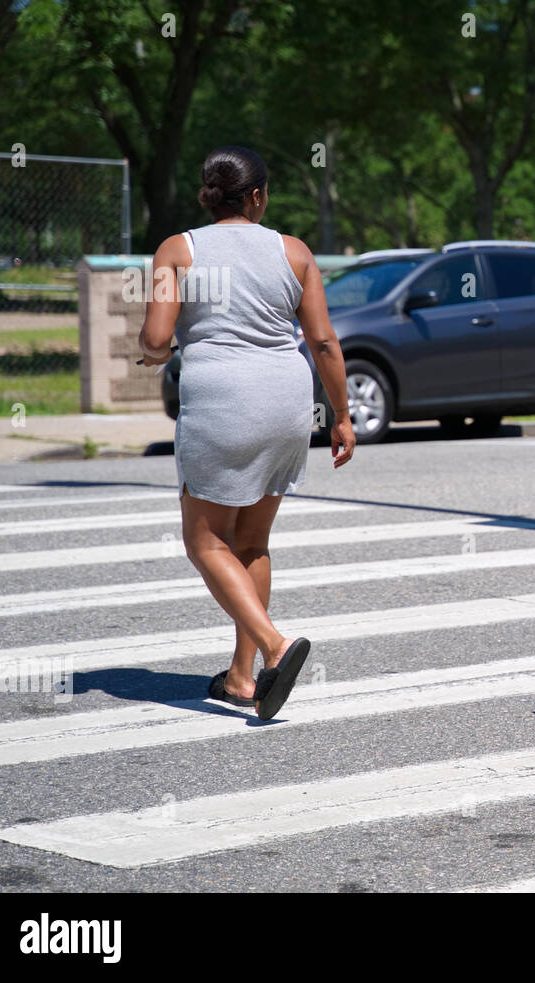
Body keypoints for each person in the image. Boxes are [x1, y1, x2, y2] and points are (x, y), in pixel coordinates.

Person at [137, 145, 356, 720]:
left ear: (208, 195)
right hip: (287, 402)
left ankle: (273, 646)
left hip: (222, 404)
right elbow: (325, 342)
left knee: (204, 541)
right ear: (257, 196)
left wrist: (151, 353)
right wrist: (343, 414)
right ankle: (240, 677)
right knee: (252, 542)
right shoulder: (295, 252)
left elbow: (158, 339)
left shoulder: (178, 249)